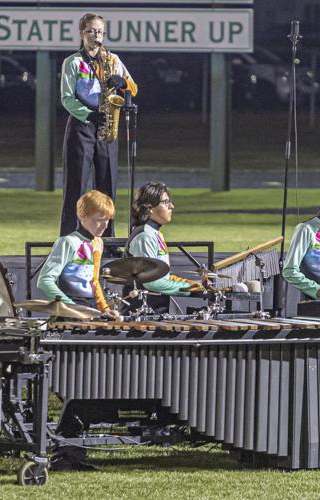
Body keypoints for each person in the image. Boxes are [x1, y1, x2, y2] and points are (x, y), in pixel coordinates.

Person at [59, 12, 138, 238]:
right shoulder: (73, 62)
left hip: (107, 126)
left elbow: (133, 87)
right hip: (82, 126)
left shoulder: (112, 59)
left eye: (101, 31)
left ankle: (108, 240)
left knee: (108, 186)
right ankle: (69, 238)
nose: (97, 36)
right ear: (82, 34)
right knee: (75, 186)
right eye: (92, 31)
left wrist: (122, 82)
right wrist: (89, 115)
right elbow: (66, 98)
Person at [38, 190, 119, 318]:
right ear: (82, 215)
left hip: (90, 306)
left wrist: (105, 309)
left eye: (107, 220)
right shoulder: (68, 242)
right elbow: (44, 280)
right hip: (70, 306)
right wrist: (70, 307)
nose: (104, 226)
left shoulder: (98, 242)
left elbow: (95, 281)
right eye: (99, 220)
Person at [125, 182, 201, 310]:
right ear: (150, 208)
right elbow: (151, 282)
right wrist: (188, 289)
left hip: (155, 309)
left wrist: (190, 283)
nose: (171, 206)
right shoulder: (145, 236)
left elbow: (162, 276)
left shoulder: (155, 233)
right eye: (165, 202)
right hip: (141, 312)